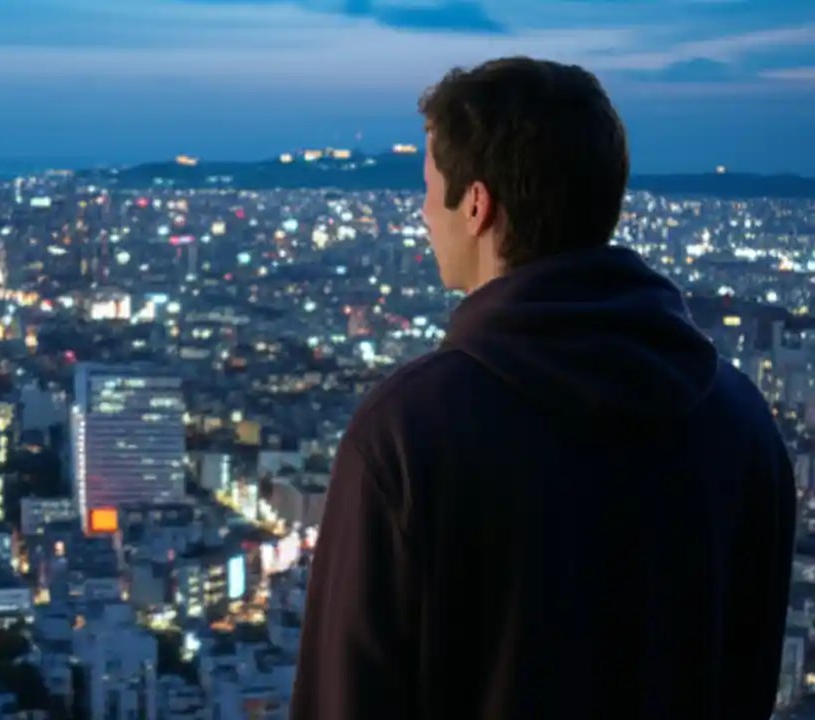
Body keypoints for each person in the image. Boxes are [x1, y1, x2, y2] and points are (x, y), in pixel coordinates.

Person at [291, 57, 796, 720]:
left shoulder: (409, 434)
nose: (420, 214)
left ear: (476, 205)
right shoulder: (741, 423)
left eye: (426, 187)